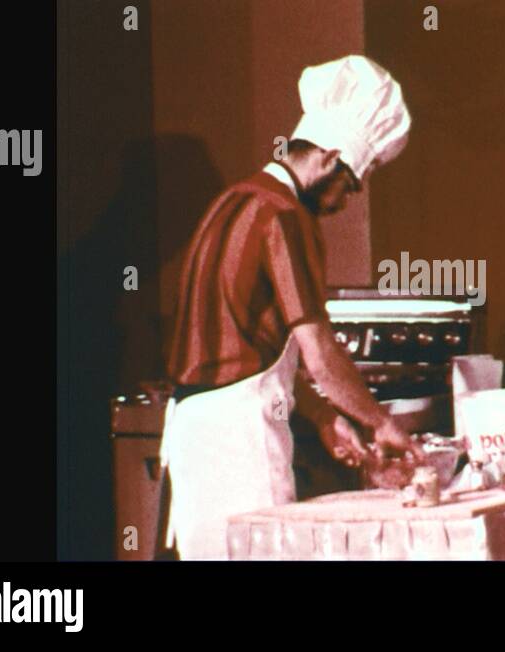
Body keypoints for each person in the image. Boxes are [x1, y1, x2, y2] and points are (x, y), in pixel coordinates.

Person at [159, 55, 422, 560]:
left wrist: (325, 416)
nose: (344, 202)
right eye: (350, 184)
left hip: (194, 437)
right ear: (329, 157)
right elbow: (319, 351)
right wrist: (380, 422)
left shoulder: (232, 200)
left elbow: (251, 338)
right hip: (242, 444)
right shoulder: (284, 216)